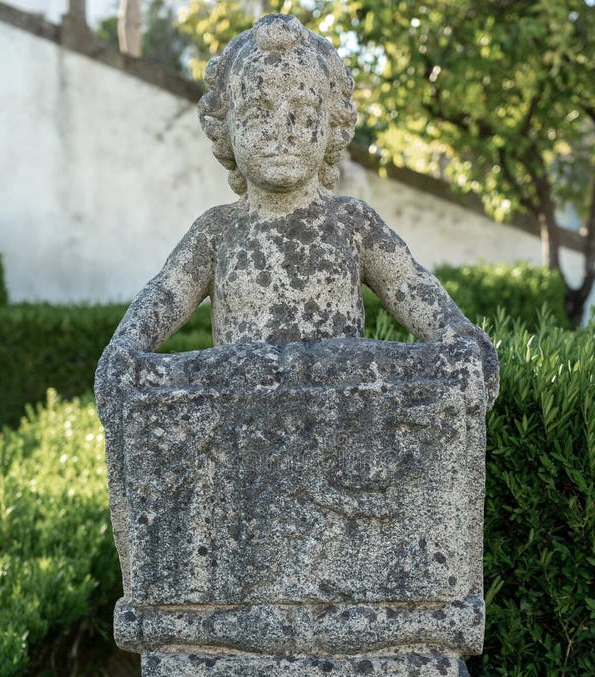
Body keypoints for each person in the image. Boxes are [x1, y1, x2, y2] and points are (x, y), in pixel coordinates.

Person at [98, 13, 497, 402]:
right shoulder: (216, 230)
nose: (282, 133)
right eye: (258, 113)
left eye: (303, 114)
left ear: (330, 125)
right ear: (227, 127)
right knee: (222, 371)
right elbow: (168, 293)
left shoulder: (351, 222)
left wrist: (455, 333)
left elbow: (406, 284)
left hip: (340, 404)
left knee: (382, 368)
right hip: (243, 408)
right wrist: (126, 348)